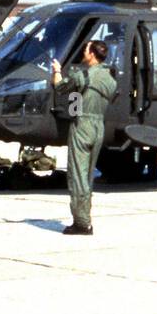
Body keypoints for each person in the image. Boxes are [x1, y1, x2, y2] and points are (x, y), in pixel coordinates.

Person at [50, 39, 117, 235]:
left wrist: (57, 71)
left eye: (86, 50)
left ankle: (82, 222)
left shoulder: (84, 76)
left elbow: (61, 87)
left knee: (77, 176)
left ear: (92, 54)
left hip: (82, 126)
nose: (83, 52)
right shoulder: (109, 78)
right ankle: (84, 217)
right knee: (87, 176)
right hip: (98, 126)